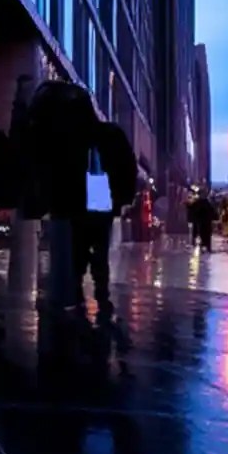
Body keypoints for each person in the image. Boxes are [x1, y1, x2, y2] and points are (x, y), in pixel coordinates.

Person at [73, 120, 136, 314]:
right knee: (96, 248)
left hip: (87, 196)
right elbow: (128, 166)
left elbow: (127, 166)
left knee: (84, 247)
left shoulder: (81, 134)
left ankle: (90, 292)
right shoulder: (110, 134)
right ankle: (99, 293)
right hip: (96, 195)